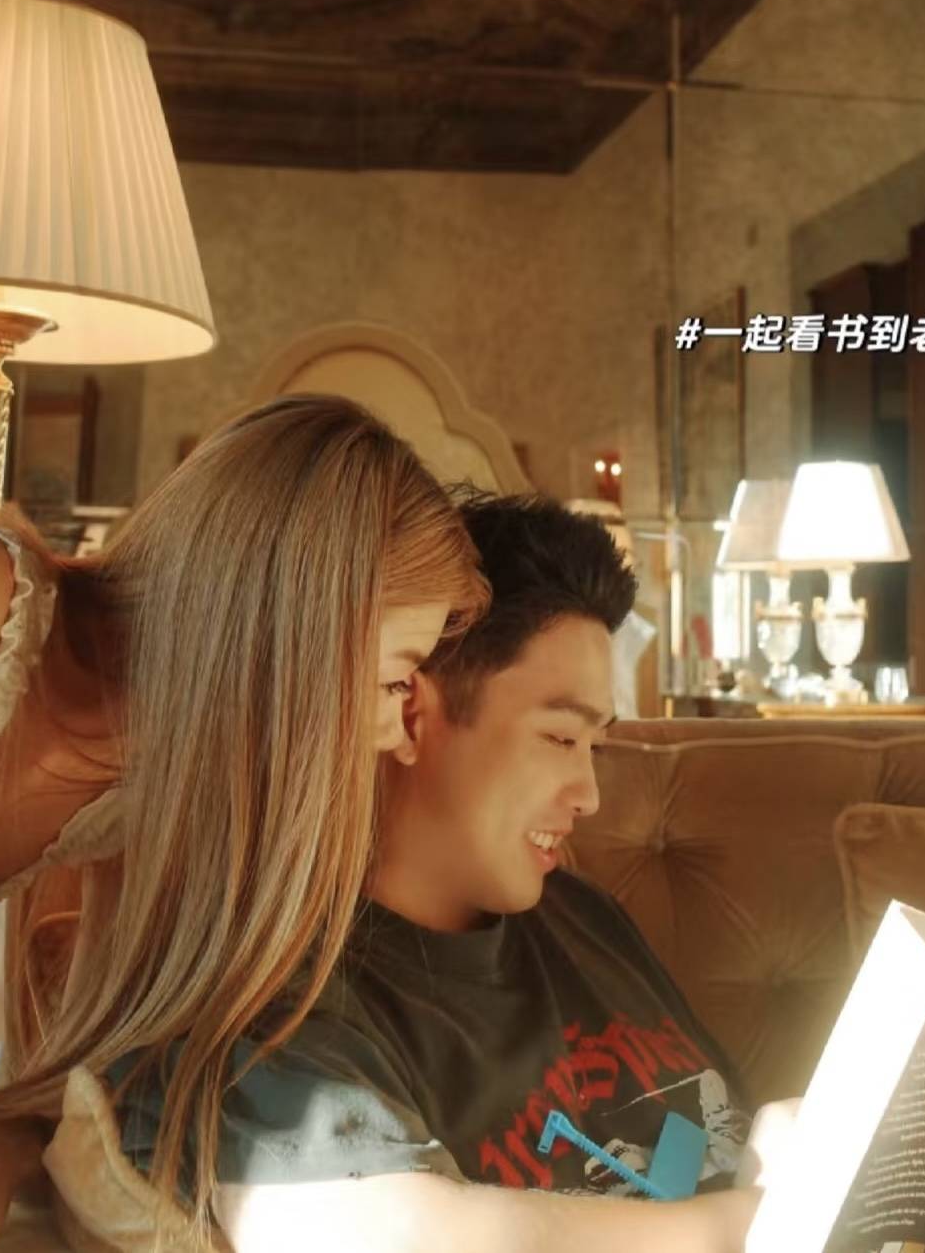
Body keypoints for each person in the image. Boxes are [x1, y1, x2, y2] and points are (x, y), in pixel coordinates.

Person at [0, 395, 488, 1253]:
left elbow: (96, 1038)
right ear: (284, 637)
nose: (398, 736)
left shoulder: (148, 783)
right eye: (396, 679)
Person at [109, 492, 765, 1253]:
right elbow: (394, 1239)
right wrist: (759, 1223)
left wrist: (786, 1144)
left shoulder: (583, 918)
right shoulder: (271, 1002)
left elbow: (720, 1144)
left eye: (595, 746)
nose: (588, 795)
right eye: (559, 738)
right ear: (410, 713)